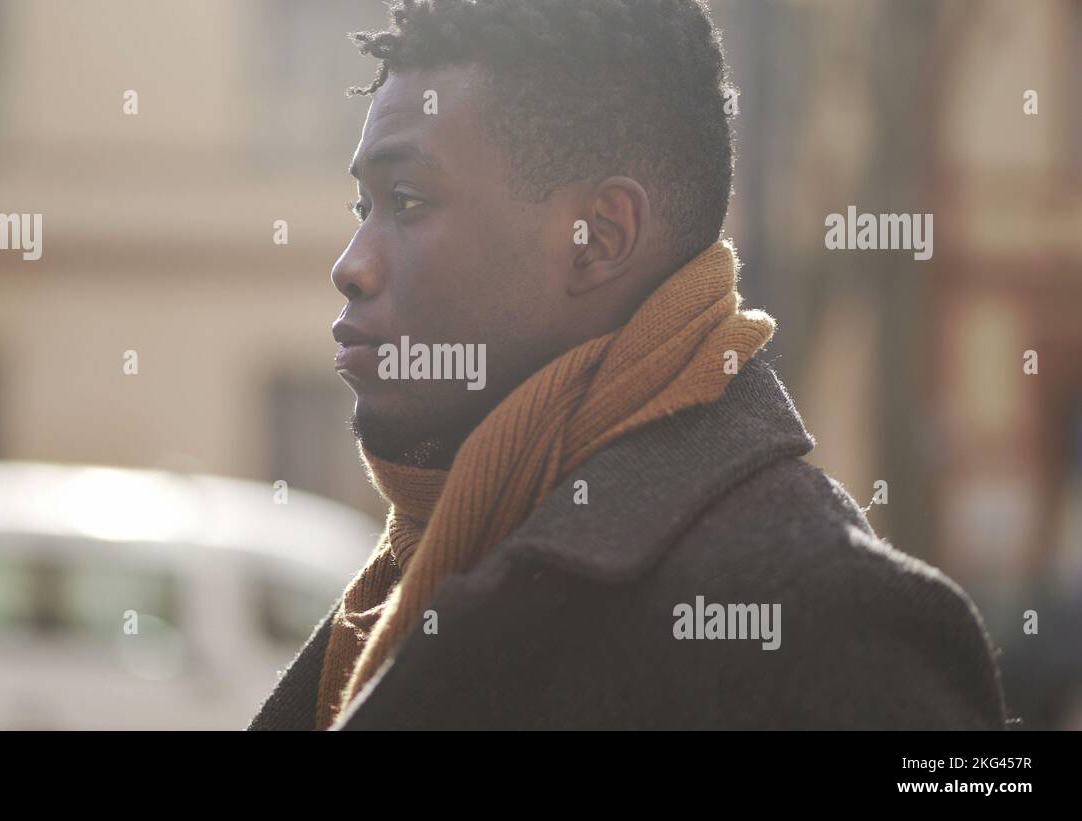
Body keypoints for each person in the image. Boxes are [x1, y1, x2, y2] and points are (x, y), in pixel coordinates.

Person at [248, 0, 1007, 730]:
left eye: (408, 201)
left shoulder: (826, 623)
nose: (351, 266)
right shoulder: (407, 576)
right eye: (363, 209)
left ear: (599, 237)